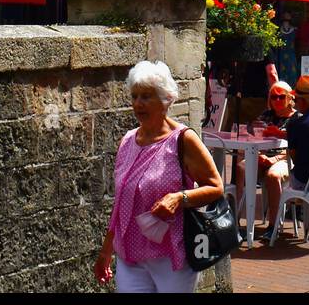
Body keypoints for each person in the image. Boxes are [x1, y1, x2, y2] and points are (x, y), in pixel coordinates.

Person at [95, 61, 224, 293]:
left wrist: (179, 198)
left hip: (171, 255)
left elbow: (215, 187)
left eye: (146, 96)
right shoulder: (128, 141)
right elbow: (120, 203)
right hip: (130, 255)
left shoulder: (183, 140)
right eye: (134, 96)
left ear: (166, 100)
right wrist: (106, 250)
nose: (137, 104)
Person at [233, 82, 295, 228]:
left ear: (290, 98)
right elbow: (252, 136)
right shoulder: (266, 116)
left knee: (272, 175)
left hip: (286, 158)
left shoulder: (297, 119)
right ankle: (235, 220)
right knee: (241, 168)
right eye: (274, 97)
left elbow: (298, 149)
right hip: (262, 156)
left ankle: (273, 226)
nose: (277, 100)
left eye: (281, 97)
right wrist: (259, 152)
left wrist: (274, 159)